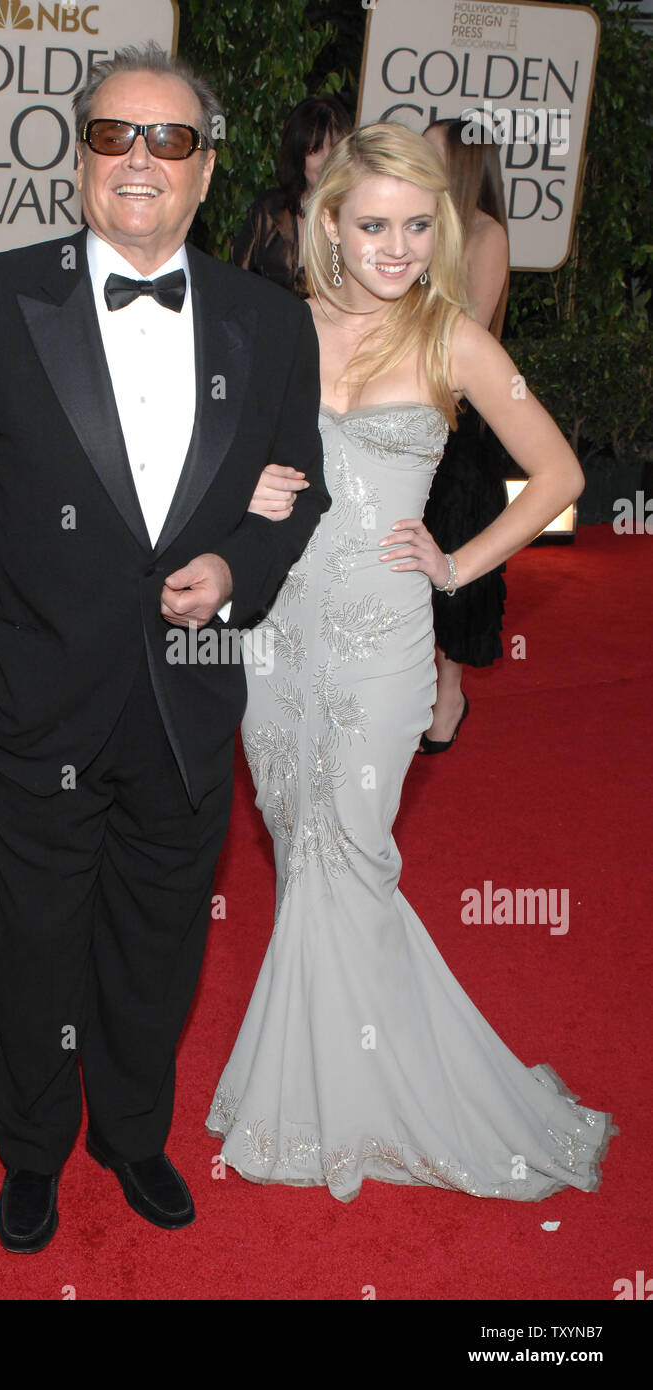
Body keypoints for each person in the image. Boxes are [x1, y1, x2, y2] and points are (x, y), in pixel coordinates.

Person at [0, 43, 329, 1252]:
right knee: (35, 940)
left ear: (202, 172)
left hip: (186, 694)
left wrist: (239, 565)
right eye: (111, 135)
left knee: (158, 937)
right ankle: (30, 1150)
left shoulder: (267, 320)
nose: (138, 159)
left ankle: (132, 1132)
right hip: (29, 690)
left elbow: (300, 490)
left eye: (168, 140)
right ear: (81, 157)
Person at [207, 123, 615, 1202]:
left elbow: (556, 472)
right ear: (328, 224)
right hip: (272, 633)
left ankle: (367, 1104)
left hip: (381, 643)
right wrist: (240, 493)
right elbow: (214, 456)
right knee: (302, 855)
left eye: (416, 225)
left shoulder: (452, 341)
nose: (394, 246)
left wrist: (455, 565)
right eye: (373, 223)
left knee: (352, 856)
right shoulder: (278, 327)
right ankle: (332, 1084)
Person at [419, 117, 511, 751]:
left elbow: (468, 335)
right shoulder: (416, 231)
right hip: (405, 410)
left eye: (430, 153)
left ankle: (449, 693)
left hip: (457, 423)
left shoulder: (485, 235)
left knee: (453, 553)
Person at [232, 95, 352, 296]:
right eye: (315, 150)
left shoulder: (360, 216)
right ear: (297, 154)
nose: (326, 162)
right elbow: (233, 282)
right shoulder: (268, 211)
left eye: (333, 150)